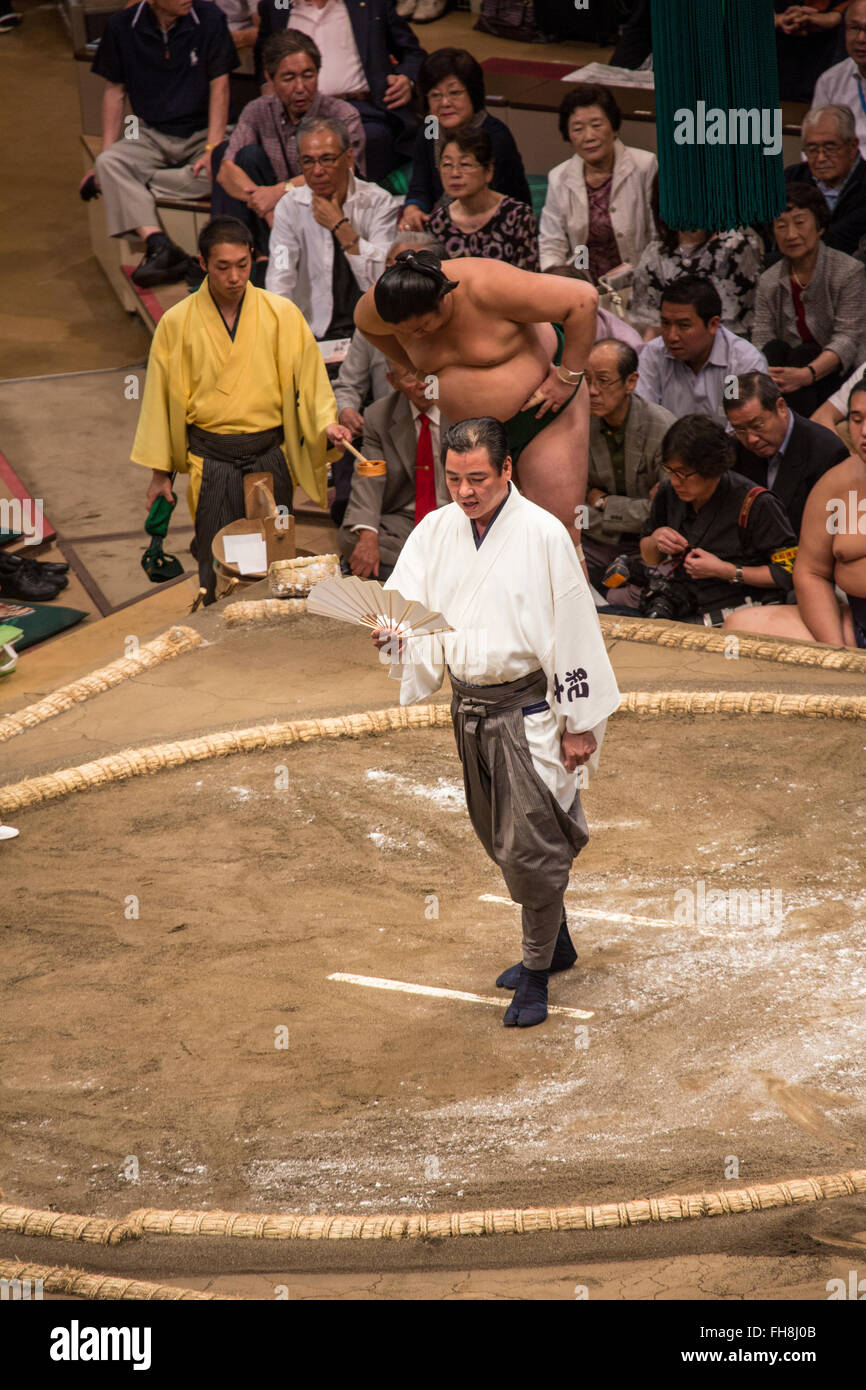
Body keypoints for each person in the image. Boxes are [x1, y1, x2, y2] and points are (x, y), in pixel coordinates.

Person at [372, 417, 621, 1028]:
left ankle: (537, 972)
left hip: (530, 712)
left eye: (477, 478)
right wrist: (393, 634)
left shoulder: (542, 535)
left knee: (530, 849)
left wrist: (579, 721)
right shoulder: (434, 530)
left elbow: (574, 630)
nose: (464, 491)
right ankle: (556, 941)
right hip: (470, 711)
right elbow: (406, 607)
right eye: (454, 478)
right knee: (500, 839)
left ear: (507, 470)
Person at [131, 216, 352, 603]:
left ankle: (272, 637)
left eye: (242, 265)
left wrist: (327, 425)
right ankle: (218, 629)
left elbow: (312, 385)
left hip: (270, 455)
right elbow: (159, 403)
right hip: (212, 460)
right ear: (202, 263)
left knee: (273, 559)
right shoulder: (177, 323)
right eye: (222, 267)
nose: (234, 276)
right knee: (219, 560)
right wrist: (159, 474)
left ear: (254, 258)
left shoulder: (281, 314)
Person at [354, 249, 598, 549]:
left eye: (421, 327)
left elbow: (583, 300)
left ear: (443, 297)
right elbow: (363, 323)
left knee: (556, 531)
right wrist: (412, 364)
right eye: (406, 332)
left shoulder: (488, 285)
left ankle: (572, 594)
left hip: (544, 414)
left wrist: (567, 377)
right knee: (490, 536)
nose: (416, 336)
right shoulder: (382, 304)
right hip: (477, 433)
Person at [88, 0, 239, 288]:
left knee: (222, 171)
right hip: (146, 129)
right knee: (108, 163)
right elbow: (115, 92)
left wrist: (211, 148)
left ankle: (132, 189)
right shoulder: (121, 26)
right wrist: (106, 153)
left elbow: (220, 86)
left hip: (206, 131)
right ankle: (159, 244)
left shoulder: (209, 18)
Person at [722, 378, 866, 646]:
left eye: (757, 425)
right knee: (737, 629)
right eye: (856, 420)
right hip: (855, 623)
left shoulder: (823, 452)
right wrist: (834, 650)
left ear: (780, 407)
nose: (865, 431)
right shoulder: (835, 483)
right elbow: (811, 572)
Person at [212, 31, 366, 267]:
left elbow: (342, 174)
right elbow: (226, 171)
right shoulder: (258, 110)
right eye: (288, 78)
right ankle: (238, 259)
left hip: (325, 212)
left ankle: (259, 260)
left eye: (308, 75)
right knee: (242, 156)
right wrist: (265, 207)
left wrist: (278, 192)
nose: (301, 87)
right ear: (270, 79)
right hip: (273, 219)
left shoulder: (343, 115)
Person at [639, 415, 798, 626]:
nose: (676, 481)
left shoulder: (756, 503)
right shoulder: (668, 492)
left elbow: (789, 571)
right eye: (670, 471)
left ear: (711, 469)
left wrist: (726, 570)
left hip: (741, 609)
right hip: (681, 601)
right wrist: (655, 540)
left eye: (683, 474)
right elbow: (649, 557)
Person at [253, 0, 424, 181]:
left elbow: (413, 53)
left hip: (362, 110)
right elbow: (263, 55)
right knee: (248, 154)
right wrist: (268, 87)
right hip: (296, 113)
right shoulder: (278, 6)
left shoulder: (372, 4)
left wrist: (407, 79)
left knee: (365, 140)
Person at [266, 116, 400, 340]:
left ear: (348, 157)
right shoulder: (289, 207)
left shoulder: (379, 203)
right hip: (312, 330)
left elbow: (381, 282)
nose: (317, 171)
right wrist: (284, 334)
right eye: (308, 161)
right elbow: (280, 273)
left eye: (326, 159)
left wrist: (339, 226)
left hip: (373, 331)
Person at [753, 183, 866, 415]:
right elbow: (761, 339)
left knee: (805, 354)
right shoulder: (769, 280)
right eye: (781, 225)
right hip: (789, 375)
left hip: (838, 373)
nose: (791, 234)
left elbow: (847, 339)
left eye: (800, 222)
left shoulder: (848, 271)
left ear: (820, 226)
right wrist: (777, 375)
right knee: (773, 350)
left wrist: (807, 374)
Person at [400, 48, 531, 232]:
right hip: (446, 223)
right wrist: (413, 208)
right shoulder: (430, 130)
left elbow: (502, 202)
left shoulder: (495, 136)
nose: (445, 103)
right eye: (436, 95)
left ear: (473, 93)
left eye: (454, 93)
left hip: (494, 228)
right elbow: (420, 185)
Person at [338, 364, 451, 579]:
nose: (422, 384)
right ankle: (438, 568)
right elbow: (369, 477)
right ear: (392, 381)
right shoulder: (379, 416)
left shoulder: (463, 407)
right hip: (406, 518)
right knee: (352, 537)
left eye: (428, 374)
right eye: (410, 375)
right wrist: (369, 536)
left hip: (458, 512)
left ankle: (409, 570)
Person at [539, 84, 656, 285]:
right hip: (582, 284)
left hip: (639, 282)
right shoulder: (559, 177)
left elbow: (658, 236)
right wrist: (558, 282)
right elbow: (552, 243)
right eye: (578, 129)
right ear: (568, 136)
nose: (589, 136)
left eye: (596, 125)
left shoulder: (645, 166)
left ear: (614, 128)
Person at [583, 339, 674, 597]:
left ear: (631, 382)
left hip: (644, 545)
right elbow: (576, 510)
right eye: (587, 379)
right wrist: (637, 508)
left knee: (621, 598)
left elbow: (663, 511)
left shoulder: (661, 427)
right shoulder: (577, 424)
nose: (592, 391)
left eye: (603, 380)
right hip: (593, 541)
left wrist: (603, 503)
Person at [629, 177, 763, 339]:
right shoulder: (655, 252)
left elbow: (729, 325)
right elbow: (653, 325)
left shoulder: (736, 247)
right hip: (669, 349)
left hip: (727, 347)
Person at [723, 371, 848, 536]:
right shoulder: (734, 449)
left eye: (758, 425)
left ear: (780, 407)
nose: (751, 439)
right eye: (740, 429)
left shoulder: (827, 452)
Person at [634, 277, 768, 421]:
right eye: (665, 323)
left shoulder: (739, 363)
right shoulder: (653, 355)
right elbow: (643, 417)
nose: (672, 336)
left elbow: (739, 425)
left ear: (713, 324)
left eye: (684, 325)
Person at [427, 127, 539, 272]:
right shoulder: (437, 222)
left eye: (465, 164)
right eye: (447, 165)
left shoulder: (518, 216)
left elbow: (529, 281)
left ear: (488, 171)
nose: (454, 173)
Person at [784, 105, 866, 257]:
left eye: (830, 147)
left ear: (853, 146)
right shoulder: (791, 179)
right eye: (812, 149)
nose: (821, 158)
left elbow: (841, 240)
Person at [813, 0, 866, 155]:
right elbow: (815, 142)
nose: (861, 39)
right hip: (845, 175)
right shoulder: (830, 81)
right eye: (854, 28)